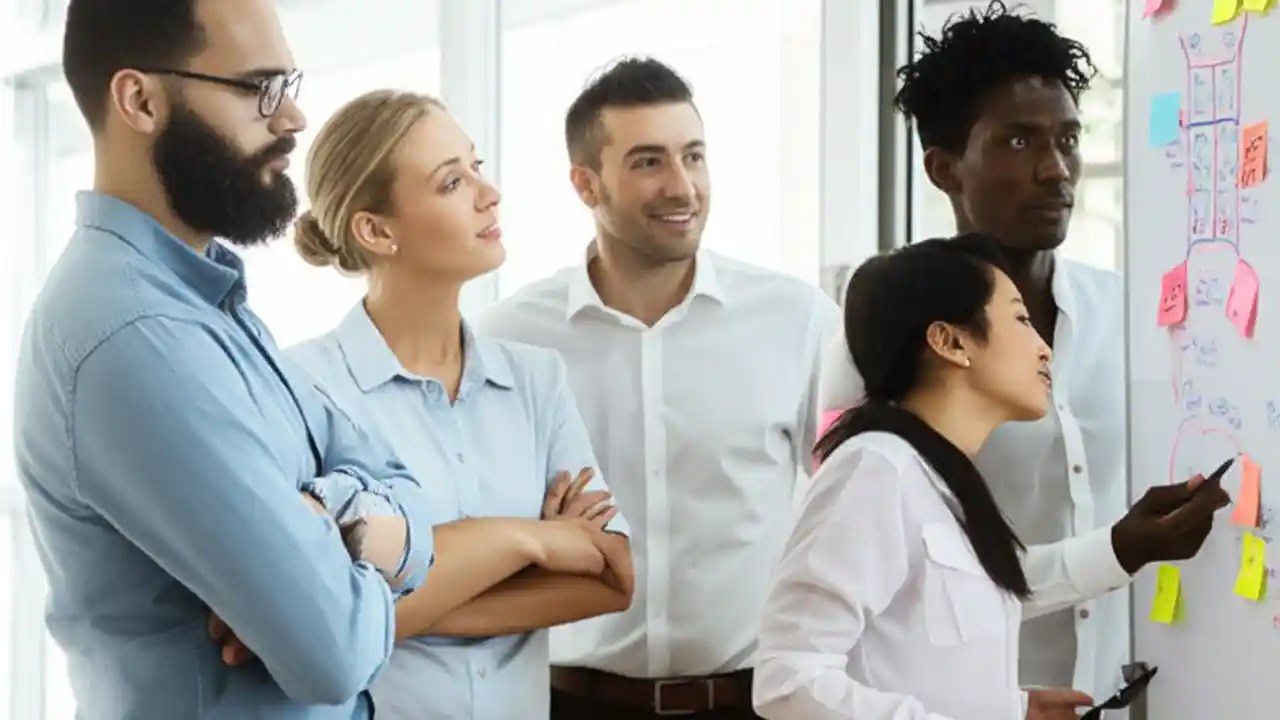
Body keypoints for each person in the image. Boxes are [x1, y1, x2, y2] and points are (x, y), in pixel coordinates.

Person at [13, 1, 584, 717]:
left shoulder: (206, 301)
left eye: (289, 84)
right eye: (259, 89)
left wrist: (339, 520)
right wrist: (384, 551)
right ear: (140, 100)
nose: (293, 120)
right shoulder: (134, 333)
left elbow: (398, 483)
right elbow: (334, 648)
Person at [816, 0, 1228, 700]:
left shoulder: (1132, 316)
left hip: (1117, 693)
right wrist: (1117, 549)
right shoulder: (879, 338)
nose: (1056, 170)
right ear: (944, 168)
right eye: (1017, 143)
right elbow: (872, 571)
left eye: (1068, 139)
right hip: (956, 706)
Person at [475, 57, 841, 719]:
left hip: (753, 701)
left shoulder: (796, 319)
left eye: (693, 156)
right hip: (569, 702)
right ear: (586, 185)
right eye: (648, 162)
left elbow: (856, 504)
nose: (683, 187)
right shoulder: (508, 339)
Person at [754, 235, 1229, 720]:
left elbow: (966, 605)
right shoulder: (875, 471)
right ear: (951, 341)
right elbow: (789, 680)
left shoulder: (939, 476)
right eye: (1022, 320)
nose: (1045, 349)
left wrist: (1010, 708)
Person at [278, 89, 635, 719]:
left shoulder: (535, 380)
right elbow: (308, 618)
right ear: (376, 230)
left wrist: (390, 611)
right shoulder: (303, 389)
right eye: (451, 182)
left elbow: (609, 575)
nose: (487, 192)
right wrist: (533, 540)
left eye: (476, 165)